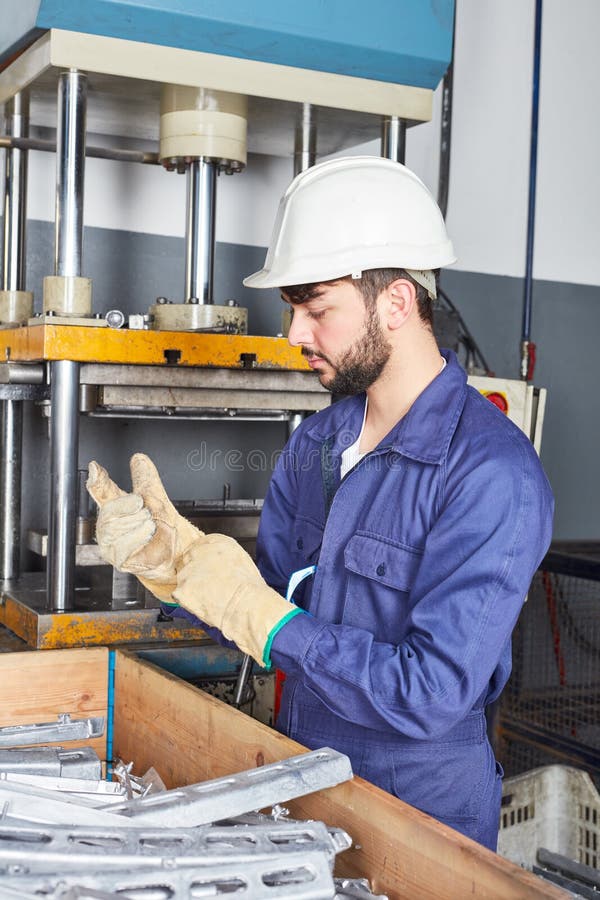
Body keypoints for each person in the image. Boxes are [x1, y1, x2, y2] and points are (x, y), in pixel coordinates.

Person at [87, 156, 554, 851]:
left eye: (317, 309)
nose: (295, 334)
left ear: (396, 303)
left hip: (419, 813)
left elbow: (429, 693)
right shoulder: (317, 442)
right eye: (293, 310)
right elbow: (264, 601)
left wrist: (276, 628)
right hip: (298, 779)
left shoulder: (493, 476)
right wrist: (180, 572)